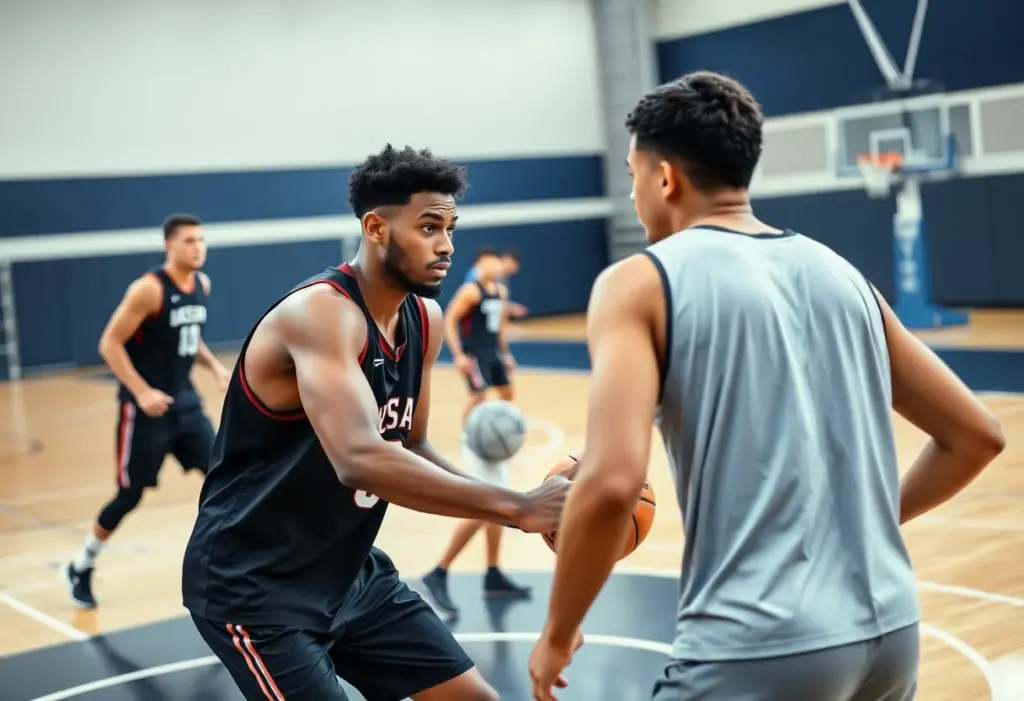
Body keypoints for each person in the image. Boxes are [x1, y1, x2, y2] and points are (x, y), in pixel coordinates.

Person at [528, 71, 1006, 701]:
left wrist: (559, 630)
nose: (635, 191)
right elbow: (976, 436)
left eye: (632, 173)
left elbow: (613, 482)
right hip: (890, 635)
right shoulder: (842, 273)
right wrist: (862, 523)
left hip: (758, 641)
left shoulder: (637, 282)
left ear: (664, 177)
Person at [180, 144, 570, 701]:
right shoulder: (320, 314)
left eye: (452, 227)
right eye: (429, 226)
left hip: (350, 573)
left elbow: (409, 443)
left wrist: (520, 503)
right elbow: (361, 459)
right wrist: (519, 507)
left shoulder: (424, 318)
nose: (446, 244)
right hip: (257, 586)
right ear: (376, 227)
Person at [64, 214, 229, 609]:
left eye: (202, 240)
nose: (198, 247)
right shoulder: (148, 289)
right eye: (190, 240)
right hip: (145, 412)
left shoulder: (201, 285)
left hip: (186, 405)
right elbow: (109, 344)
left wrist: (215, 366)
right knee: (129, 494)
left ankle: (227, 566)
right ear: (170, 246)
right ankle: (82, 564)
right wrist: (141, 392)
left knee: (225, 477)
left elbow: (189, 337)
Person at [421, 248, 528, 616]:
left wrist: (506, 352)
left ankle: (493, 573)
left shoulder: (499, 292)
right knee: (491, 505)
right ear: (483, 262)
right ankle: (439, 571)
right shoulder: (470, 292)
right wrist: (458, 355)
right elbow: (449, 320)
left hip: (493, 354)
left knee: (499, 502)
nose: (497, 268)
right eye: (492, 263)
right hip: (475, 358)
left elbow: (498, 330)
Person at [465, 248, 527, 318]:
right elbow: (478, 301)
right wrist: (511, 308)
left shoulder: (501, 283)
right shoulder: (475, 276)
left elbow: (498, 302)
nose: (515, 270)